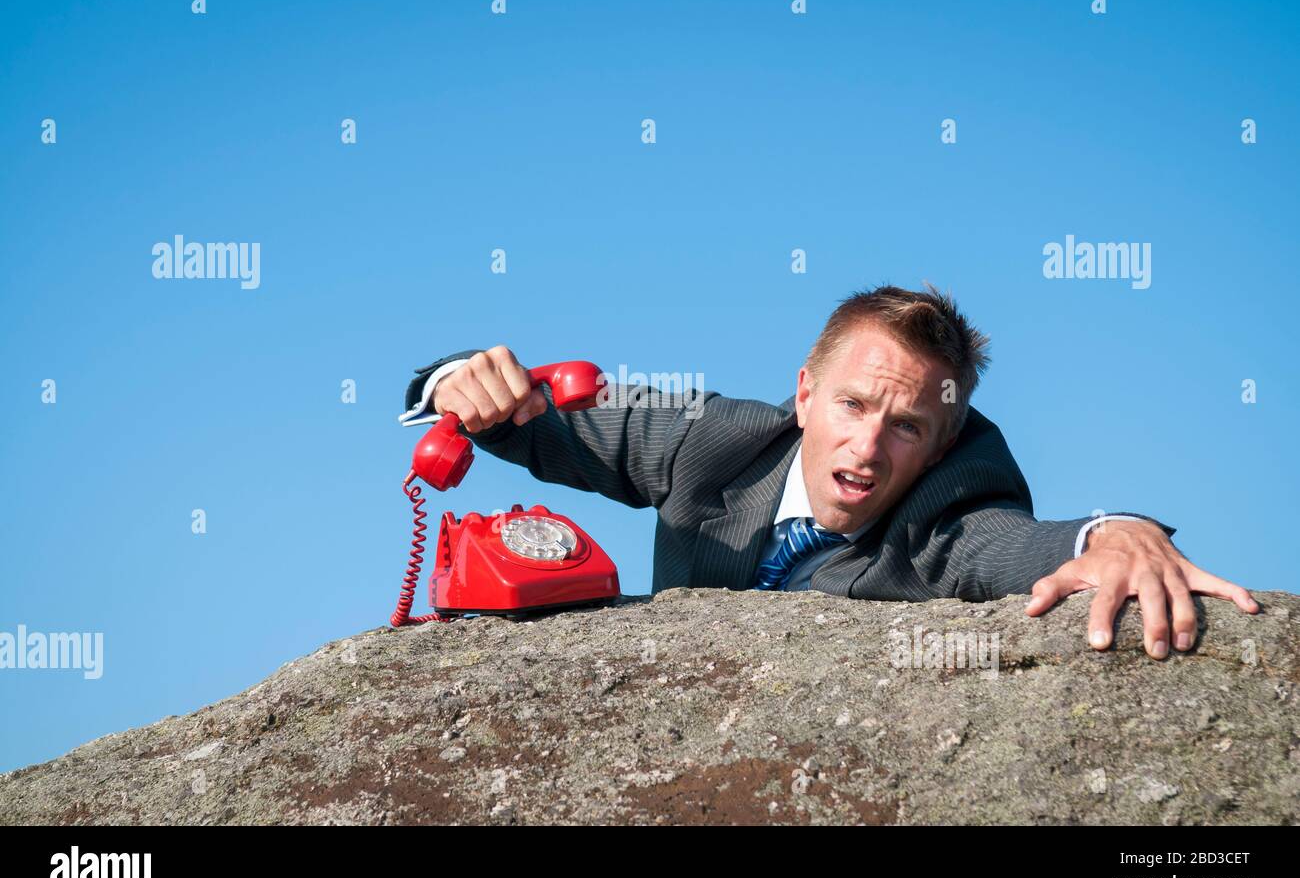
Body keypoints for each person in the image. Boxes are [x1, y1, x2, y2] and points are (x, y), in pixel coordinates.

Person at [400, 284, 1257, 659]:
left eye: (907, 425)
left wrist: (1120, 534)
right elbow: (541, 423)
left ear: (942, 446)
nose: (869, 446)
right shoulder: (708, 438)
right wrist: (462, 384)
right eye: (852, 405)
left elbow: (1019, 547)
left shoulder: (946, 517)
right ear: (804, 393)